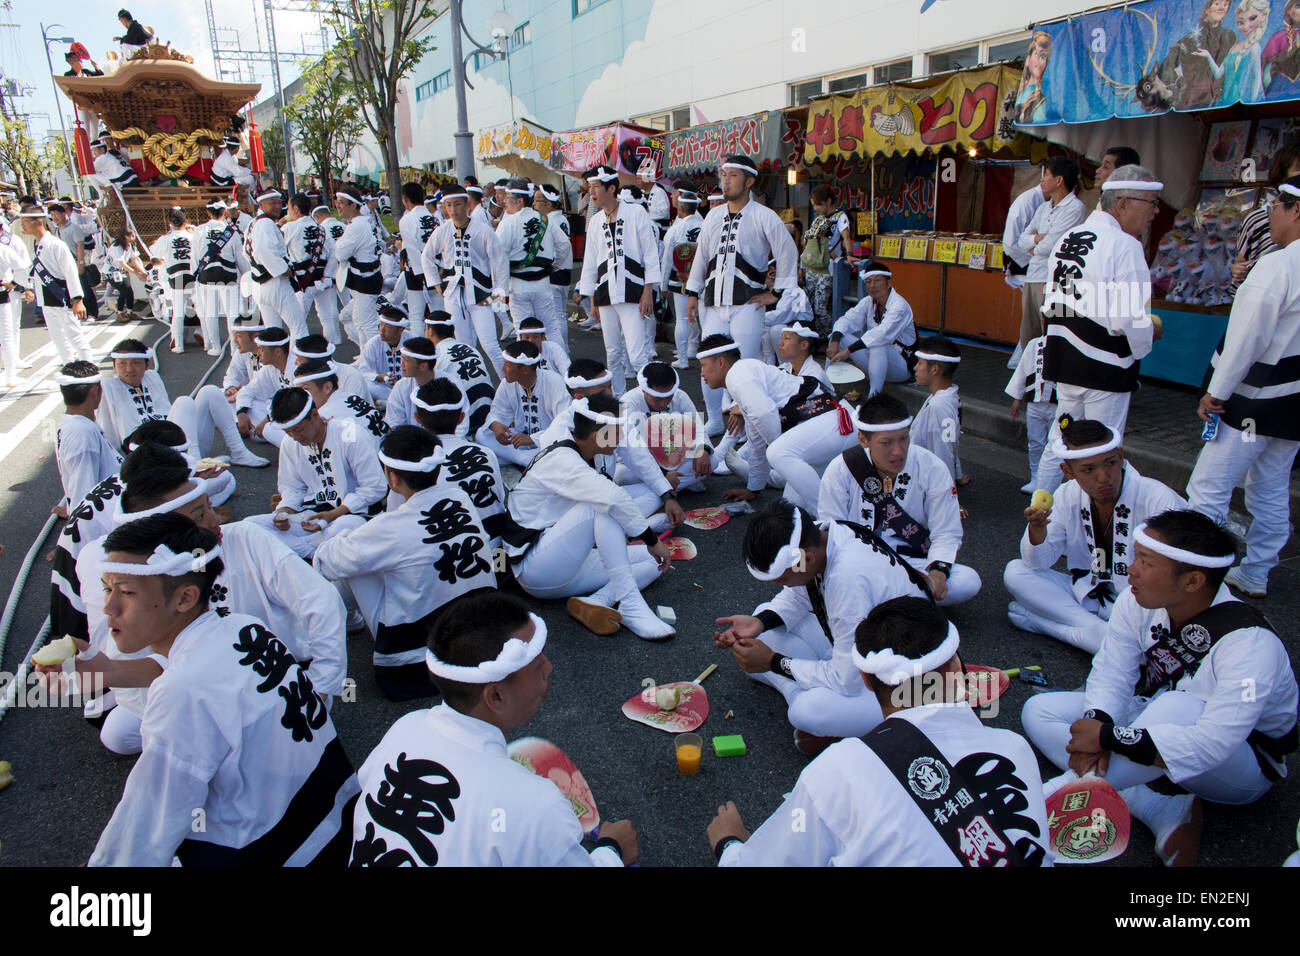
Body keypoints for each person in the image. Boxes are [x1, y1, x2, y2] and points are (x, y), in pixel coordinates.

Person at [75, 513, 359, 866]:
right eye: (107, 588)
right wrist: (105, 670)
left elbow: (150, 819)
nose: (109, 608)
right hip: (337, 816)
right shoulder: (245, 626)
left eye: (127, 592)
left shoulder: (181, 692)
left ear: (185, 597)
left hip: (278, 849)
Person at [1021, 509, 1298, 867]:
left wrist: (1106, 738)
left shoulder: (1251, 647)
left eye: (1147, 563)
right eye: (1136, 556)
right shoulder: (1138, 599)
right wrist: (1098, 720)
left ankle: (1038, 809)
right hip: (1155, 712)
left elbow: (1214, 743)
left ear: (1193, 581)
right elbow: (1113, 671)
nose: (1131, 569)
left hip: (1239, 763)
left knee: (1178, 707)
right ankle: (1157, 807)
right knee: (1039, 711)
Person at [709, 596, 1052, 866]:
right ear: (956, 666)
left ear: (866, 681)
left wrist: (730, 844)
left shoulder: (839, 768)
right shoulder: (1014, 747)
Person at [70, 463, 348, 755]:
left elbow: (321, 600)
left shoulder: (244, 537)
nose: (217, 519)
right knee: (118, 732)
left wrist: (321, 685)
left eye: (209, 507)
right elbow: (159, 663)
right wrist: (106, 672)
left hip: (272, 676)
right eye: (200, 515)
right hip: (200, 684)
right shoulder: (137, 577)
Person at [350, 590, 636, 866]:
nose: (549, 668)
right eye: (537, 665)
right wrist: (612, 849)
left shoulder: (406, 728)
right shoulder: (535, 807)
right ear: (496, 696)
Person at [713, 501, 932, 753]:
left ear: (807, 557)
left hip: (906, 681)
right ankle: (811, 695)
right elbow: (799, 594)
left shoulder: (847, 579)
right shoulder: (819, 536)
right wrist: (760, 622)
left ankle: (817, 709)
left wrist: (774, 662)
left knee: (806, 711)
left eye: (781, 578)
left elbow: (846, 680)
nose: (778, 584)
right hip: (861, 645)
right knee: (760, 633)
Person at [315, 426, 497, 700]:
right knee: (376, 554)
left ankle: (330, 626)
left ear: (393, 477)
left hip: (419, 661)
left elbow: (327, 562)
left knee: (350, 556)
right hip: (481, 637)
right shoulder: (460, 498)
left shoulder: (391, 527)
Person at [1187, 174, 1300, 598]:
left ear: (1296, 210)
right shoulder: (1278, 263)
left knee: (1210, 486)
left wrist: (1217, 390)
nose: (1271, 216)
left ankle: (1199, 574)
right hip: (1289, 407)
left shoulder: (1279, 265)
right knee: (1270, 487)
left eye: (1276, 207)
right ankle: (1255, 571)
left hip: (1253, 403)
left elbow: (1246, 338)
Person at [1004, 416, 1185, 654]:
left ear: (1120, 455)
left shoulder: (1159, 499)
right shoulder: (1066, 495)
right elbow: (1037, 563)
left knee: (1146, 646)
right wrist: (1037, 530)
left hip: (1140, 603)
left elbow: (1175, 579)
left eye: (1110, 463)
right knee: (1016, 572)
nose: (1103, 477)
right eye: (1089, 469)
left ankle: (1050, 627)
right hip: (1088, 591)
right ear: (1067, 470)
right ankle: (1099, 633)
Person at [504, 393, 675, 639]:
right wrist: (651, 539)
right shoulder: (563, 458)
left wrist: (652, 542)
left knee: (655, 562)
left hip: (565, 557)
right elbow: (614, 498)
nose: (622, 437)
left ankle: (598, 600)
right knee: (601, 504)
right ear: (598, 436)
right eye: (618, 432)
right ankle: (629, 602)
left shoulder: (581, 447)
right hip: (535, 566)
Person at [1037, 164, 1163, 486]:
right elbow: (1127, 317)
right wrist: (1149, 333)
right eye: (1151, 203)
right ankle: (1089, 512)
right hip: (1105, 366)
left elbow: (1050, 303)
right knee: (1102, 450)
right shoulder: (1125, 245)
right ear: (1123, 204)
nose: (1155, 212)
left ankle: (1042, 508)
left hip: (1064, 357)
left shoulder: (1069, 237)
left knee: (1061, 441)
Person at [818, 394, 979, 606]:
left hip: (912, 563)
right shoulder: (840, 469)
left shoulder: (931, 467)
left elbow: (946, 532)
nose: (898, 451)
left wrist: (937, 573)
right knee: (808, 572)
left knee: (968, 581)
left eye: (904, 438)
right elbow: (833, 532)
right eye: (886, 442)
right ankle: (905, 601)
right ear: (863, 440)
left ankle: (878, 601)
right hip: (859, 564)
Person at [685, 155, 798, 427]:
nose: (726, 181)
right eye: (724, 175)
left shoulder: (764, 216)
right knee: (708, 362)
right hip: (713, 304)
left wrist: (777, 293)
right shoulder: (713, 216)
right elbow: (702, 256)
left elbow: (787, 250)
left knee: (743, 367)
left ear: (749, 181)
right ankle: (714, 419)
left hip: (748, 305)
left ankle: (747, 425)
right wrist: (692, 293)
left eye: (733, 175)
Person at [698, 334, 855, 515]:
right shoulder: (744, 375)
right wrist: (754, 489)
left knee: (778, 453)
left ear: (720, 362)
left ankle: (832, 519)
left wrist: (779, 451)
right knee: (791, 509)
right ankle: (836, 515)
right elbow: (756, 440)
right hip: (825, 429)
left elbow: (765, 415)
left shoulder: (738, 374)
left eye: (703, 365)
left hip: (835, 421)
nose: (701, 373)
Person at [249, 388, 385, 559]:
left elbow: (375, 487)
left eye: (298, 429)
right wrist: (283, 512)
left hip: (351, 514)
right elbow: (292, 489)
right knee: (251, 525)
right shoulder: (289, 442)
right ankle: (314, 551)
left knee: (348, 526)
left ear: (314, 414)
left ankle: (292, 549)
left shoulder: (351, 435)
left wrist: (333, 515)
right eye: (287, 432)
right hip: (312, 516)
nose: (294, 437)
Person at [98, 338, 269, 467]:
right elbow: (107, 432)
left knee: (210, 391)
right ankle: (195, 466)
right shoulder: (107, 386)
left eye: (135, 363)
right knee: (184, 402)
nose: (128, 369)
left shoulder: (152, 377)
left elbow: (168, 415)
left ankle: (237, 452)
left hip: (177, 444)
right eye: (122, 364)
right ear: (114, 366)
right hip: (147, 457)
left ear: (146, 364)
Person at [576, 165, 662, 394]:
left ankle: (652, 397)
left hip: (632, 291)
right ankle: (619, 399)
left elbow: (650, 254)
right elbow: (590, 261)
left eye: (596, 187)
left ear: (611, 188)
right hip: (605, 293)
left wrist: (648, 291)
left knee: (637, 354)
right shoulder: (596, 221)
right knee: (612, 353)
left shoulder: (636, 213)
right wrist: (592, 299)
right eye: (590, 187)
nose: (591, 192)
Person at [422, 183, 509, 377]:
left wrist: (498, 298)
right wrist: (436, 284)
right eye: (449, 205)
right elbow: (426, 257)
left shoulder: (483, 230)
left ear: (467, 204)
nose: (453, 209)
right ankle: (474, 385)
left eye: (458, 204)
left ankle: (509, 385)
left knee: (490, 345)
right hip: (453, 296)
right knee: (464, 347)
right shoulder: (443, 230)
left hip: (481, 296)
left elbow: (500, 264)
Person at [412, 377, 505, 548]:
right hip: (499, 548)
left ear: (417, 418)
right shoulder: (486, 453)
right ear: (462, 418)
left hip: (457, 553)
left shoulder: (418, 466)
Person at [1014, 157, 1086, 354]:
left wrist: (1034, 243)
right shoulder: (1043, 207)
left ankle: (1048, 373)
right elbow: (1022, 240)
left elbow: (1052, 245)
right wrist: (1037, 239)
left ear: (1059, 180)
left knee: (1050, 333)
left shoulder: (1075, 208)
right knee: (1029, 335)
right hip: (1033, 275)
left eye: (1046, 174)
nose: (1042, 179)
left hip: (1055, 279)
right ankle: (1030, 372)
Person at [826, 259, 916, 399]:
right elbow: (846, 320)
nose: (872, 285)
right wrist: (835, 341)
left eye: (878, 280)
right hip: (875, 364)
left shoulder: (899, 306)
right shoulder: (868, 301)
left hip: (901, 367)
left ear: (889, 283)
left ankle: (873, 397)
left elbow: (881, 334)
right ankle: (826, 388)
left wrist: (849, 350)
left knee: (878, 345)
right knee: (839, 336)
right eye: (868, 281)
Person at [620, 360, 711, 497]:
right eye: (657, 399)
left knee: (712, 459)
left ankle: (654, 491)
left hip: (674, 454)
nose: (663, 403)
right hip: (641, 461)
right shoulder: (627, 403)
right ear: (644, 390)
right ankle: (675, 485)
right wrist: (662, 474)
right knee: (621, 475)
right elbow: (633, 453)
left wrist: (702, 449)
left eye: (668, 397)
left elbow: (698, 427)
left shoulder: (680, 396)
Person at [478, 340, 571, 468]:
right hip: (519, 440)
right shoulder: (507, 383)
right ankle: (526, 459)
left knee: (562, 446)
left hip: (546, 441)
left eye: (507, 365)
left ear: (525, 369)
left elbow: (565, 423)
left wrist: (533, 439)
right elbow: (497, 410)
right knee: (483, 434)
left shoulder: (554, 382)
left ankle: (519, 458)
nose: (502, 369)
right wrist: (495, 424)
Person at [18, 203, 92, 363]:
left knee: (75, 337)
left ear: (39, 222)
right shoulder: (36, 244)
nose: (22, 226)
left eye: (25, 222)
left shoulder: (56, 244)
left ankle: (90, 368)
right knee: (59, 339)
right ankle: (68, 367)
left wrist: (77, 299)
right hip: (46, 299)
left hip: (62, 297)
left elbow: (70, 272)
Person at [497, 178, 563, 349]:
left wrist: (500, 289)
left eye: (507, 197)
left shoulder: (508, 223)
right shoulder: (545, 220)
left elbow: (498, 258)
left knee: (523, 330)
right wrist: (557, 263)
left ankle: (526, 362)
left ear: (519, 201)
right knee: (551, 327)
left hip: (518, 285)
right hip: (543, 282)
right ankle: (562, 362)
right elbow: (564, 245)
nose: (504, 201)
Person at [54, 362, 121, 515]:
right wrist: (76, 513)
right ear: (94, 391)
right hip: (110, 514)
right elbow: (84, 493)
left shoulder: (72, 422)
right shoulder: (82, 432)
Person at [1231, 146, 1300, 291]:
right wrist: (1238, 270)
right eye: (1298, 168)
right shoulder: (1256, 219)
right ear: (1282, 174)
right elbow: (1241, 263)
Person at [1005, 313, 1058, 493]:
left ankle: (1050, 481)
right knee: (1035, 442)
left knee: (1055, 443)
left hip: (1057, 404)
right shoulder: (1034, 344)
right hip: (1034, 403)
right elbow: (1022, 371)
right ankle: (1035, 477)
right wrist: (1017, 399)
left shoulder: (1067, 346)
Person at [245, 188, 308, 340]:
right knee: (298, 327)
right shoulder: (265, 223)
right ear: (261, 205)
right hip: (276, 282)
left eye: (279, 202)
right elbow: (263, 251)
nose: (278, 206)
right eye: (272, 203)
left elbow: (246, 252)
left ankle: (274, 356)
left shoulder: (253, 223)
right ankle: (301, 356)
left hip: (261, 284)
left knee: (273, 333)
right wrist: (283, 269)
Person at [190, 198, 248, 351]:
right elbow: (240, 259)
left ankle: (215, 347)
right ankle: (235, 348)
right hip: (228, 277)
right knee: (232, 314)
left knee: (210, 313)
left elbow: (194, 258)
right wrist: (247, 275)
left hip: (206, 277)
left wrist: (195, 276)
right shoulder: (231, 233)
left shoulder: (199, 231)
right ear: (225, 212)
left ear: (208, 212)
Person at [424, 311, 495, 435]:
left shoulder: (435, 355)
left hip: (466, 421)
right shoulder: (470, 348)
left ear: (430, 331)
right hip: (493, 414)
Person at [660, 183, 704, 367]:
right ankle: (696, 351)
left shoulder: (675, 230)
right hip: (701, 278)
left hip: (679, 277)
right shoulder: (705, 225)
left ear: (682, 208)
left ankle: (683, 358)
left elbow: (667, 260)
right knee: (700, 318)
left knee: (682, 319)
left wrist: (663, 285)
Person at [909, 336, 964, 483]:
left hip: (920, 476)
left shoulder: (939, 406)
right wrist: (957, 474)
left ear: (935, 369)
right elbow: (952, 442)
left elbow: (944, 452)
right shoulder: (947, 395)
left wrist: (948, 492)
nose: (915, 367)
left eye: (920, 363)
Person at [294, 357, 388, 442]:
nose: (301, 396)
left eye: (306, 389)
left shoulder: (324, 417)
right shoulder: (351, 397)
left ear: (327, 387)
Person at [234, 327, 297, 448]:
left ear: (277, 352)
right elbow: (248, 390)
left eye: (262, 349)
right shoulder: (270, 367)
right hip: (279, 414)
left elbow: (295, 405)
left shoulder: (296, 368)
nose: (258, 353)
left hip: (298, 418)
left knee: (267, 429)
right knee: (246, 405)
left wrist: (267, 420)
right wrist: (241, 413)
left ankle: (293, 446)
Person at [282, 193, 332, 337]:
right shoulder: (321, 228)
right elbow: (332, 253)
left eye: (289, 209)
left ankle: (296, 351)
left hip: (304, 281)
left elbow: (277, 247)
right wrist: (328, 274)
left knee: (297, 324)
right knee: (328, 319)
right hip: (322, 279)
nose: (288, 212)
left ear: (296, 209)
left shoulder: (290, 227)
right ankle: (329, 348)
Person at [148, 207, 196, 353]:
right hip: (194, 277)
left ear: (169, 222)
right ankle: (208, 342)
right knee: (202, 309)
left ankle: (179, 344)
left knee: (178, 312)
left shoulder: (165, 239)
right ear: (186, 221)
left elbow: (153, 251)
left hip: (177, 277)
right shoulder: (193, 236)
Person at [534, 182, 573, 352]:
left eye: (537, 201)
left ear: (548, 204)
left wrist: (553, 264)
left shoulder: (549, 221)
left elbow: (562, 247)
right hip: (563, 272)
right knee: (559, 315)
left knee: (556, 317)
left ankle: (561, 351)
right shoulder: (561, 219)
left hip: (554, 272)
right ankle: (564, 349)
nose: (534, 204)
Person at [397, 181, 438, 322]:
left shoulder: (407, 219)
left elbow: (412, 250)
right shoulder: (435, 218)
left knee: (416, 315)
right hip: (437, 269)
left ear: (405, 199)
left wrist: (421, 275)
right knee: (439, 312)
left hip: (417, 272)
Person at [1000, 177, 1046, 299]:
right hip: (1024, 265)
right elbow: (1010, 242)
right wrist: (1032, 257)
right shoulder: (1027, 201)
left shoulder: (1051, 204)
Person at [290, 333, 368, 404]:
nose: (295, 363)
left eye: (299, 358)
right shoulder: (303, 377)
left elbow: (351, 411)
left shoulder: (350, 377)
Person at [359, 302, 413, 404]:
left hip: (408, 387)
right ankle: (394, 402)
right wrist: (380, 377)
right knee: (365, 384)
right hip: (385, 388)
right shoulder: (374, 343)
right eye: (381, 325)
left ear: (400, 329)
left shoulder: (412, 340)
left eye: (387, 326)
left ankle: (390, 403)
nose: (382, 330)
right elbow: (363, 371)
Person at [0, 215, 32, 385]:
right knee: (7, 334)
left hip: (5, 292)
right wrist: (15, 283)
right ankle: (10, 375)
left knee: (8, 332)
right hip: (3, 292)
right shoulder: (3, 248)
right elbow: (23, 267)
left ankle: (11, 371)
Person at [103, 226, 146, 323]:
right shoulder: (117, 247)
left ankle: (129, 313)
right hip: (111, 272)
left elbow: (134, 261)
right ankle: (119, 314)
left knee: (129, 291)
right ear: (126, 236)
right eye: (132, 235)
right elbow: (122, 263)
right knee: (123, 291)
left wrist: (143, 272)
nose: (134, 237)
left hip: (120, 272)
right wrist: (136, 274)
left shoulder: (131, 245)